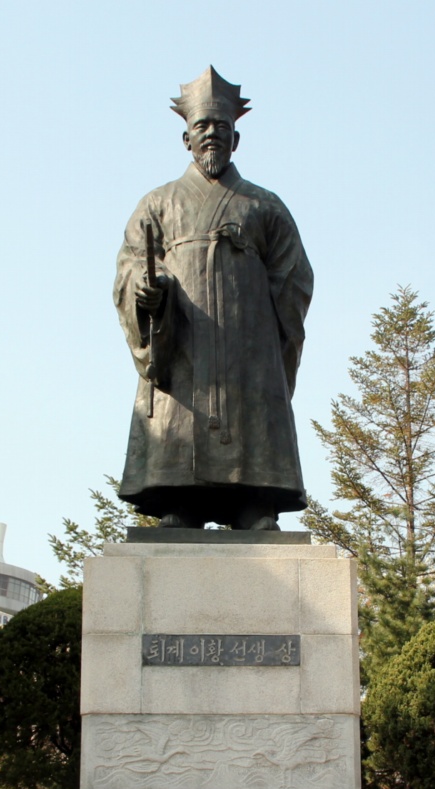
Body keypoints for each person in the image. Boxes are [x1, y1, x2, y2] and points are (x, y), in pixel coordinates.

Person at [114, 67, 313, 530]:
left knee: (253, 413)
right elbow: (130, 264)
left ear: (236, 140)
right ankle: (181, 501)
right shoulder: (157, 203)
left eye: (221, 128)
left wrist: (269, 325)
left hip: (249, 345)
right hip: (181, 336)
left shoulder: (264, 205)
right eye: (202, 127)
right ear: (186, 139)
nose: (212, 136)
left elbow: (296, 275)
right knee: (179, 416)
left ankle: (254, 502)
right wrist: (147, 290)